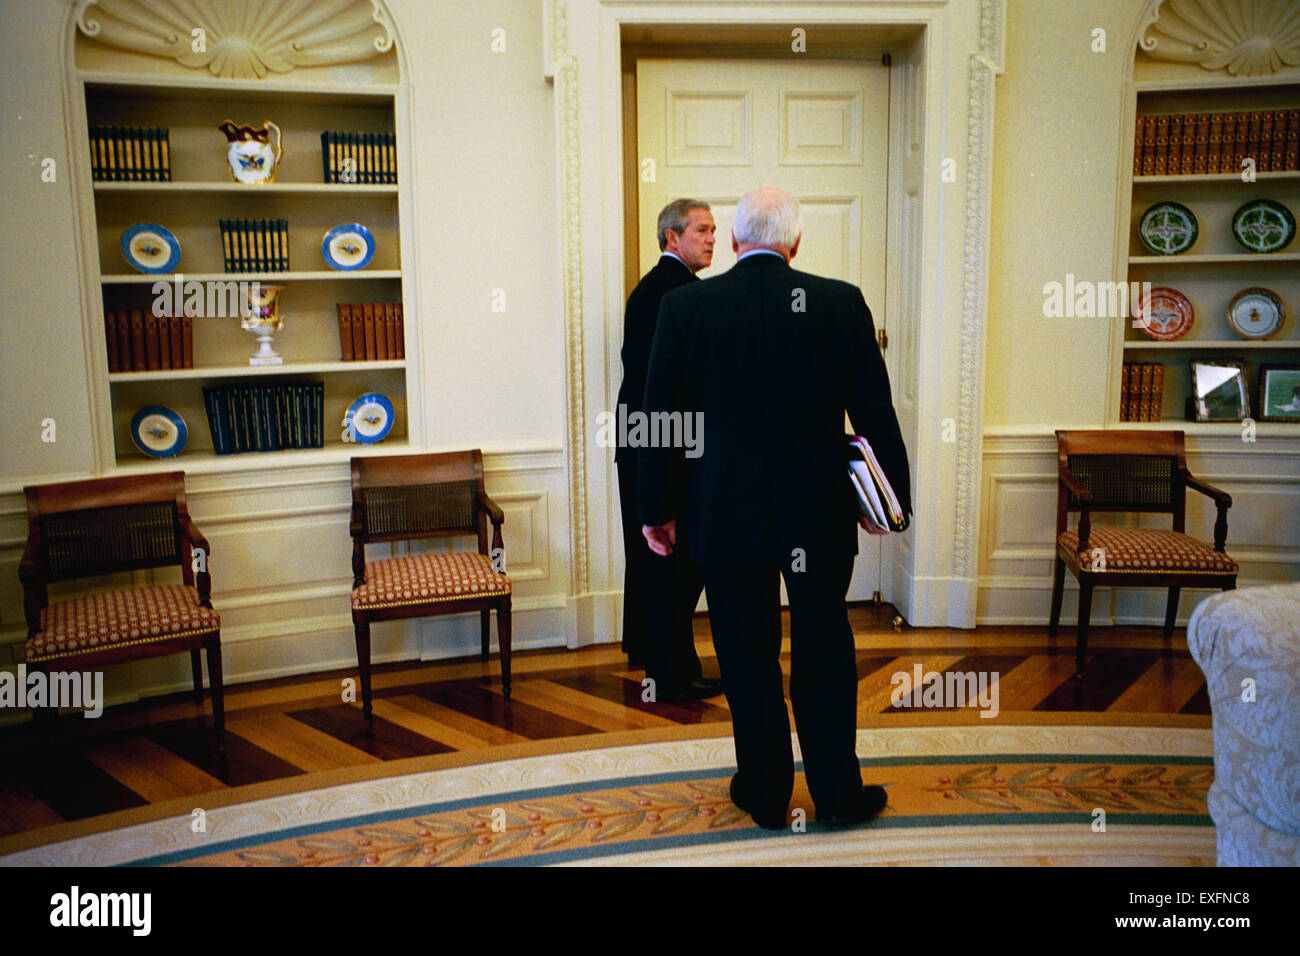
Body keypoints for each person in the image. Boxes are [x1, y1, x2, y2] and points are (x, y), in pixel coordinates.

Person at [638, 186, 912, 828]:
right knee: (824, 644)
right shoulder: (841, 304)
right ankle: (839, 797)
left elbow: (661, 420)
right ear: (794, 244)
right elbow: (875, 411)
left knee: (744, 651)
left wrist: (657, 507)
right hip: (816, 515)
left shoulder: (685, 308)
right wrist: (888, 502)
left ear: (734, 242)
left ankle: (763, 792)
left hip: (721, 516)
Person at [615, 198, 724, 702]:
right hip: (664, 447)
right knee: (675, 564)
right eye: (701, 230)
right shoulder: (678, 294)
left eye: (714, 230)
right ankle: (669, 675)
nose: (711, 239)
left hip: (646, 442)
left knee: (657, 563)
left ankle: (662, 664)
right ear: (671, 237)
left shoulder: (655, 290)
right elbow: (669, 386)